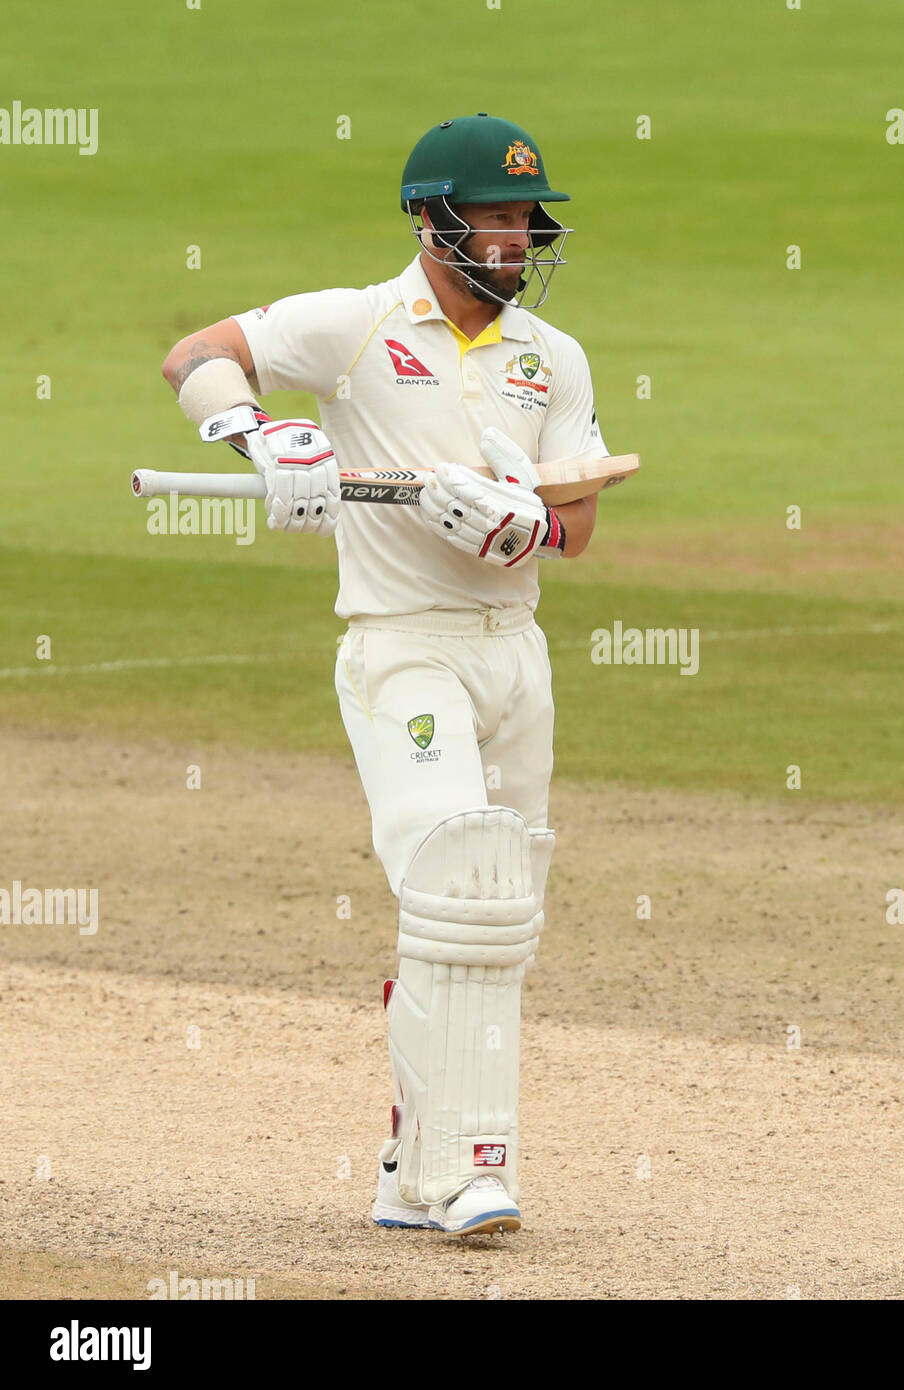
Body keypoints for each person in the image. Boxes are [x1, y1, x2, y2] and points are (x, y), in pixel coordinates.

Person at [160, 113, 608, 1235]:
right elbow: (197, 354)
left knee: (501, 914)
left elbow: (577, 523)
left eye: (524, 220)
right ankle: (462, 1172)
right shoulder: (356, 326)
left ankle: (411, 1162)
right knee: (456, 882)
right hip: (401, 642)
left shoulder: (550, 359)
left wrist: (517, 528)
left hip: (515, 654)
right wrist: (267, 440)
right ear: (429, 217)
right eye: (492, 218)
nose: (513, 241)